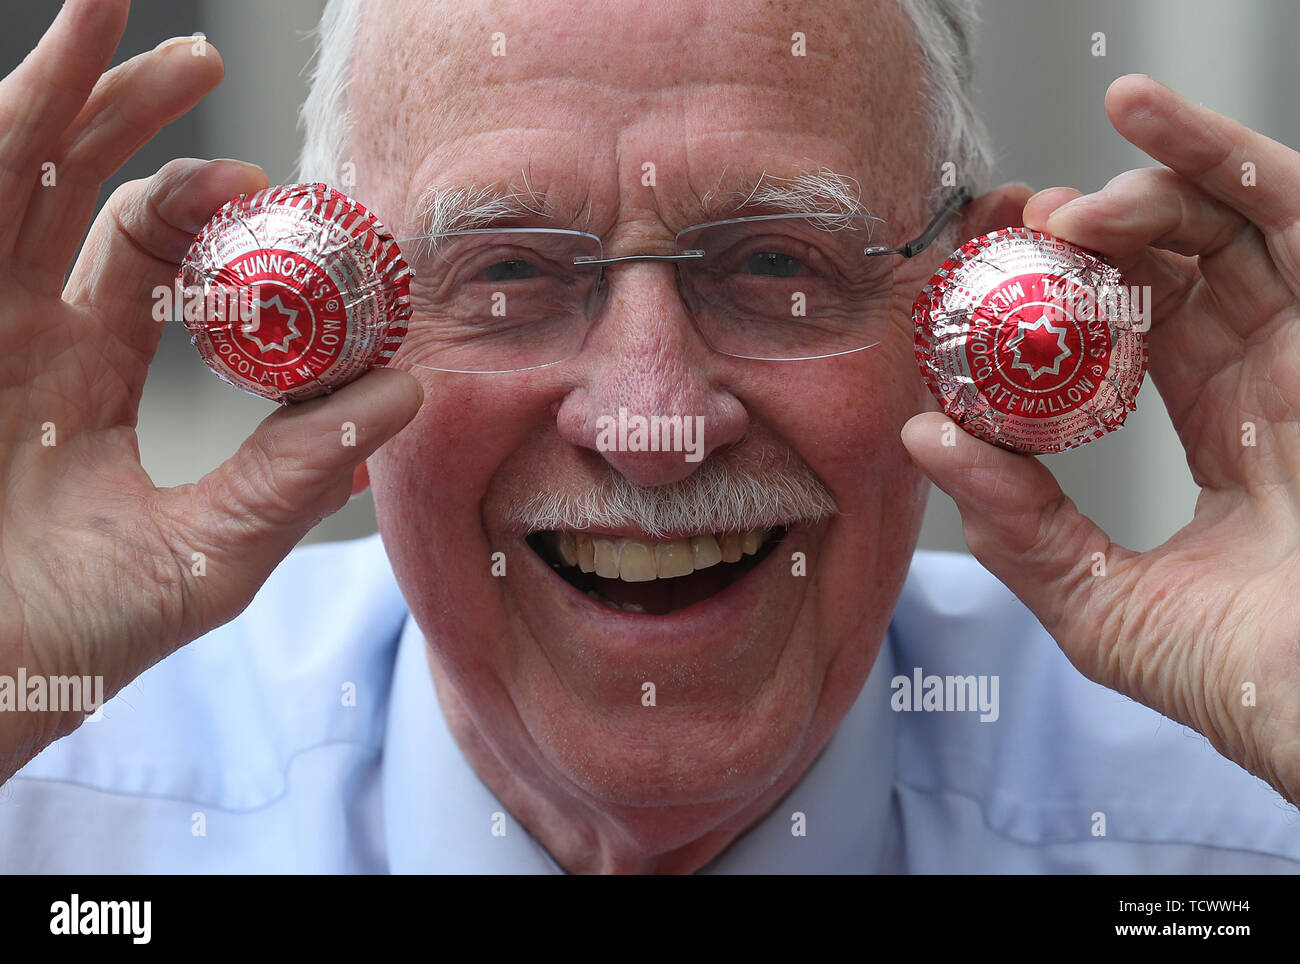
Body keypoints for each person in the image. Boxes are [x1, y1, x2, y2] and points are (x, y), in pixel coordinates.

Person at [0, 0, 1297, 874]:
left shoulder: (1234, 814)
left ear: (969, 296)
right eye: (508, 272)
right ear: (333, 323)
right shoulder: (52, 793)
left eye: (777, 265)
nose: (652, 421)